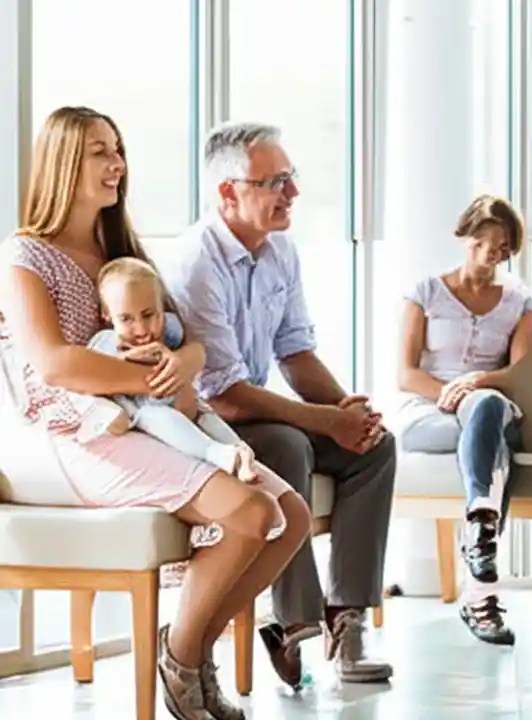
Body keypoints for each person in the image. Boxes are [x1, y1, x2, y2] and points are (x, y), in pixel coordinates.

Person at [0, 106, 310, 720]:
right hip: (81, 434)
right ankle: (187, 660)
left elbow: (187, 340)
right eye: (98, 151)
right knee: (252, 511)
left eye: (117, 149)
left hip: (154, 418)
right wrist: (150, 375)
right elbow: (56, 364)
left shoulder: (124, 250)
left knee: (291, 517)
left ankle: (184, 652)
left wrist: (184, 362)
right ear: (63, 161)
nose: (116, 164)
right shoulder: (25, 256)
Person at [162, 121, 396, 688]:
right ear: (228, 192)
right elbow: (223, 394)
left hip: (257, 413)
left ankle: (348, 618)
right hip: (206, 427)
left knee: (376, 448)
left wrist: (348, 413)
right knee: (287, 443)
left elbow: (296, 352)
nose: (292, 194)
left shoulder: (280, 251)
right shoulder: (196, 261)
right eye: (276, 182)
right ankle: (293, 622)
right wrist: (326, 421)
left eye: (291, 179)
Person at [392, 194, 532, 646]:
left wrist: (477, 382)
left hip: (491, 406)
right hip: (429, 413)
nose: (490, 252)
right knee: (489, 436)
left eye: (501, 246)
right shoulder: (425, 293)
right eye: (483, 241)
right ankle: (482, 592)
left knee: (488, 408)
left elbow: (522, 373)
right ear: (466, 236)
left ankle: (478, 526)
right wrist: (450, 393)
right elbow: (406, 374)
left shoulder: (519, 301)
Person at [87, 257, 261, 485]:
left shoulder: (169, 329)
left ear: (161, 309)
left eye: (149, 315)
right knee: (155, 417)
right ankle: (219, 454)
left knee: (207, 417)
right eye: (126, 319)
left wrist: (171, 353)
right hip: (149, 410)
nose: (141, 329)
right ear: (107, 316)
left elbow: (187, 343)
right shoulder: (107, 341)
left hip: (185, 402)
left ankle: (240, 453)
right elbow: (98, 368)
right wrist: (132, 355)